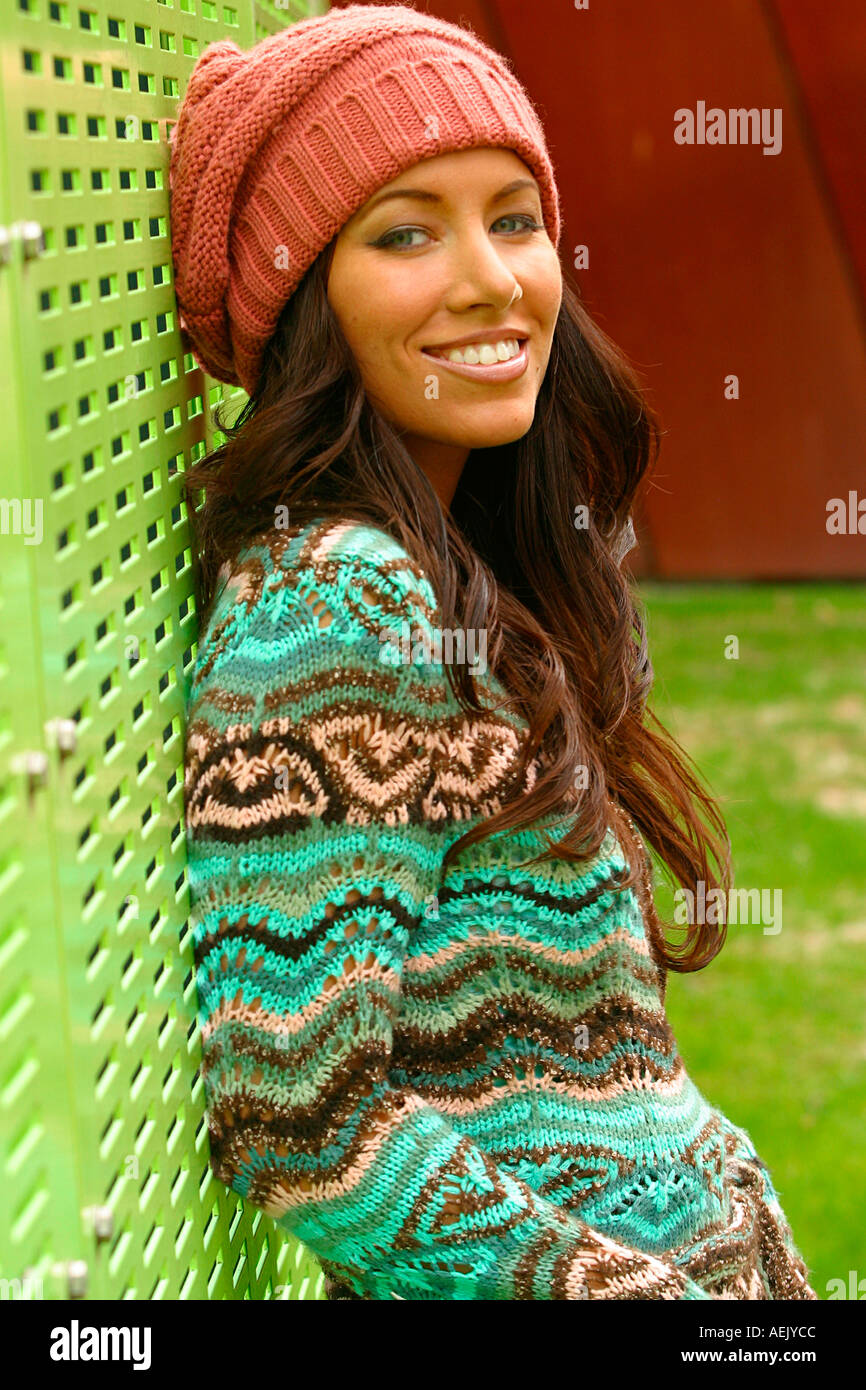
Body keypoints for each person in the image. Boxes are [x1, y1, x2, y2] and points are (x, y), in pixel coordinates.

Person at [170, 3, 816, 1301]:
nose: (489, 278)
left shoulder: (468, 570)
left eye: (511, 217)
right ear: (306, 298)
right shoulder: (336, 601)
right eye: (404, 232)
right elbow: (300, 1111)